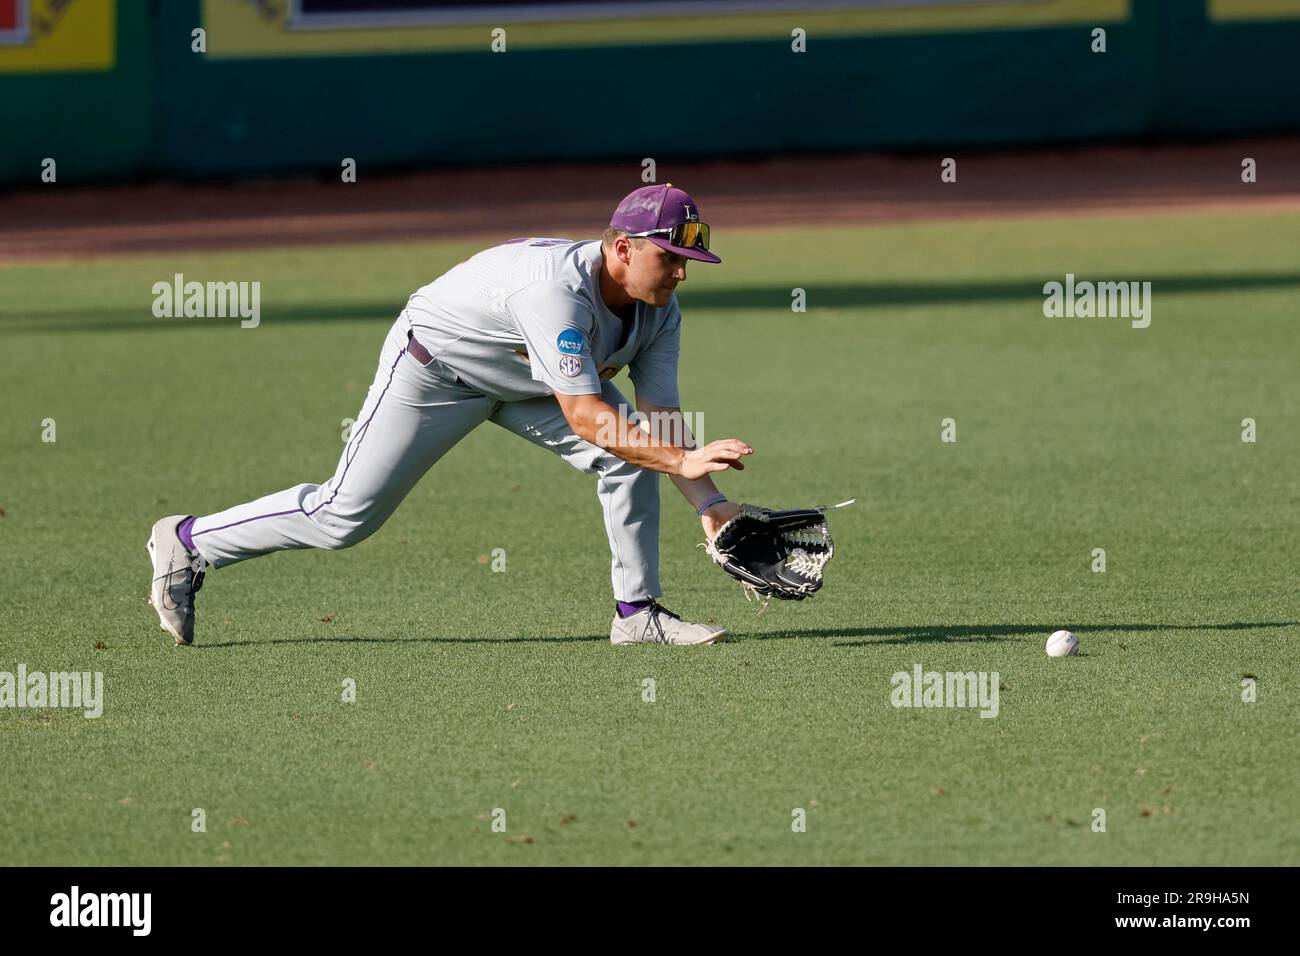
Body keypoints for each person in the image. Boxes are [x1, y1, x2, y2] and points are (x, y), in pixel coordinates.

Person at [147, 183, 753, 647]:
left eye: (686, 262)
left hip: (529, 380)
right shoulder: (553, 295)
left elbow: (662, 417)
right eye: (669, 257)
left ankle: (637, 616)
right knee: (343, 518)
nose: (679, 273)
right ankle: (189, 541)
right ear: (623, 248)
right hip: (436, 369)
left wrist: (710, 504)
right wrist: (677, 457)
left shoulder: (659, 309)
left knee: (631, 458)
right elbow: (590, 419)